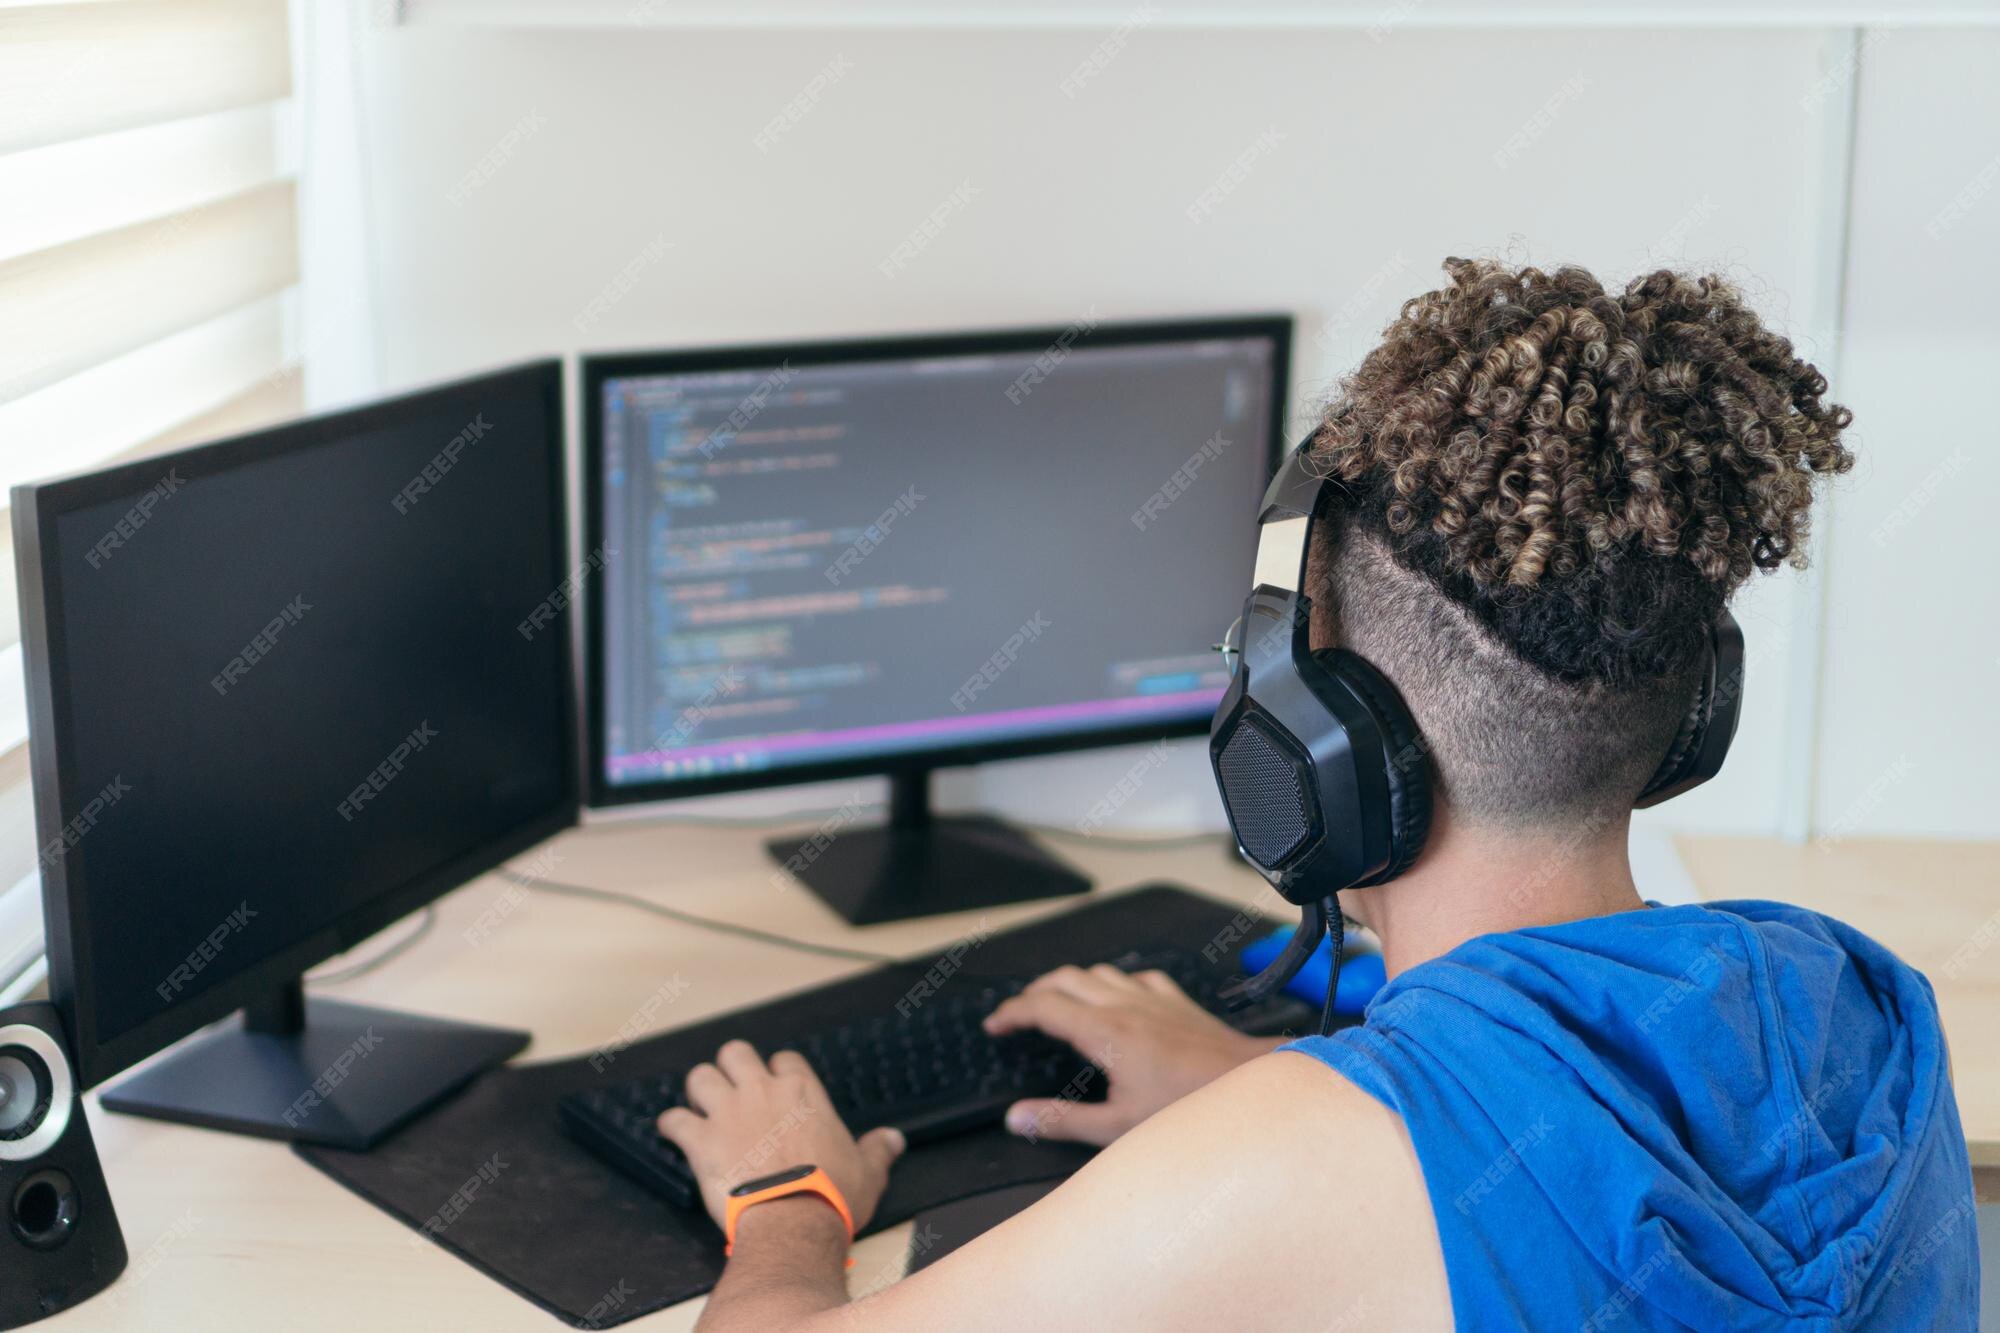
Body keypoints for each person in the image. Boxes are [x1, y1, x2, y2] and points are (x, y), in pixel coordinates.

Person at [656, 260, 1980, 1330]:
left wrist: (787, 1197)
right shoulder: (1863, 1013)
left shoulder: (1307, 1166)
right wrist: (1263, 1079)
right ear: (1694, 709)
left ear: (1315, 748)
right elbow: (1551, 1161)